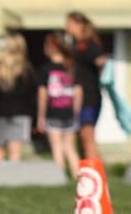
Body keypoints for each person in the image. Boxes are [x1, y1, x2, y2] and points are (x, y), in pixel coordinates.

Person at [37, 32, 82, 178]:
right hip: (69, 113)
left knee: (57, 147)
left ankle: (59, 177)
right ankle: (78, 177)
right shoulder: (72, 67)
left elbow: (43, 95)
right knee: (70, 148)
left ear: (51, 48)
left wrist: (41, 117)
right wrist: (76, 113)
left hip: (53, 113)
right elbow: (78, 93)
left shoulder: (45, 69)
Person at [0, 33, 37, 162]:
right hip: (21, 114)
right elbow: (32, 96)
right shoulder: (27, 70)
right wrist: (33, 116)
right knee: (15, 152)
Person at [65, 11, 107, 161]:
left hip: (89, 97)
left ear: (80, 25)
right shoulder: (76, 45)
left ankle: (94, 171)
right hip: (80, 97)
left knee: (87, 137)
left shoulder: (89, 45)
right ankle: (95, 170)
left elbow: (101, 61)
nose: (67, 27)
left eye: (69, 23)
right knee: (84, 138)